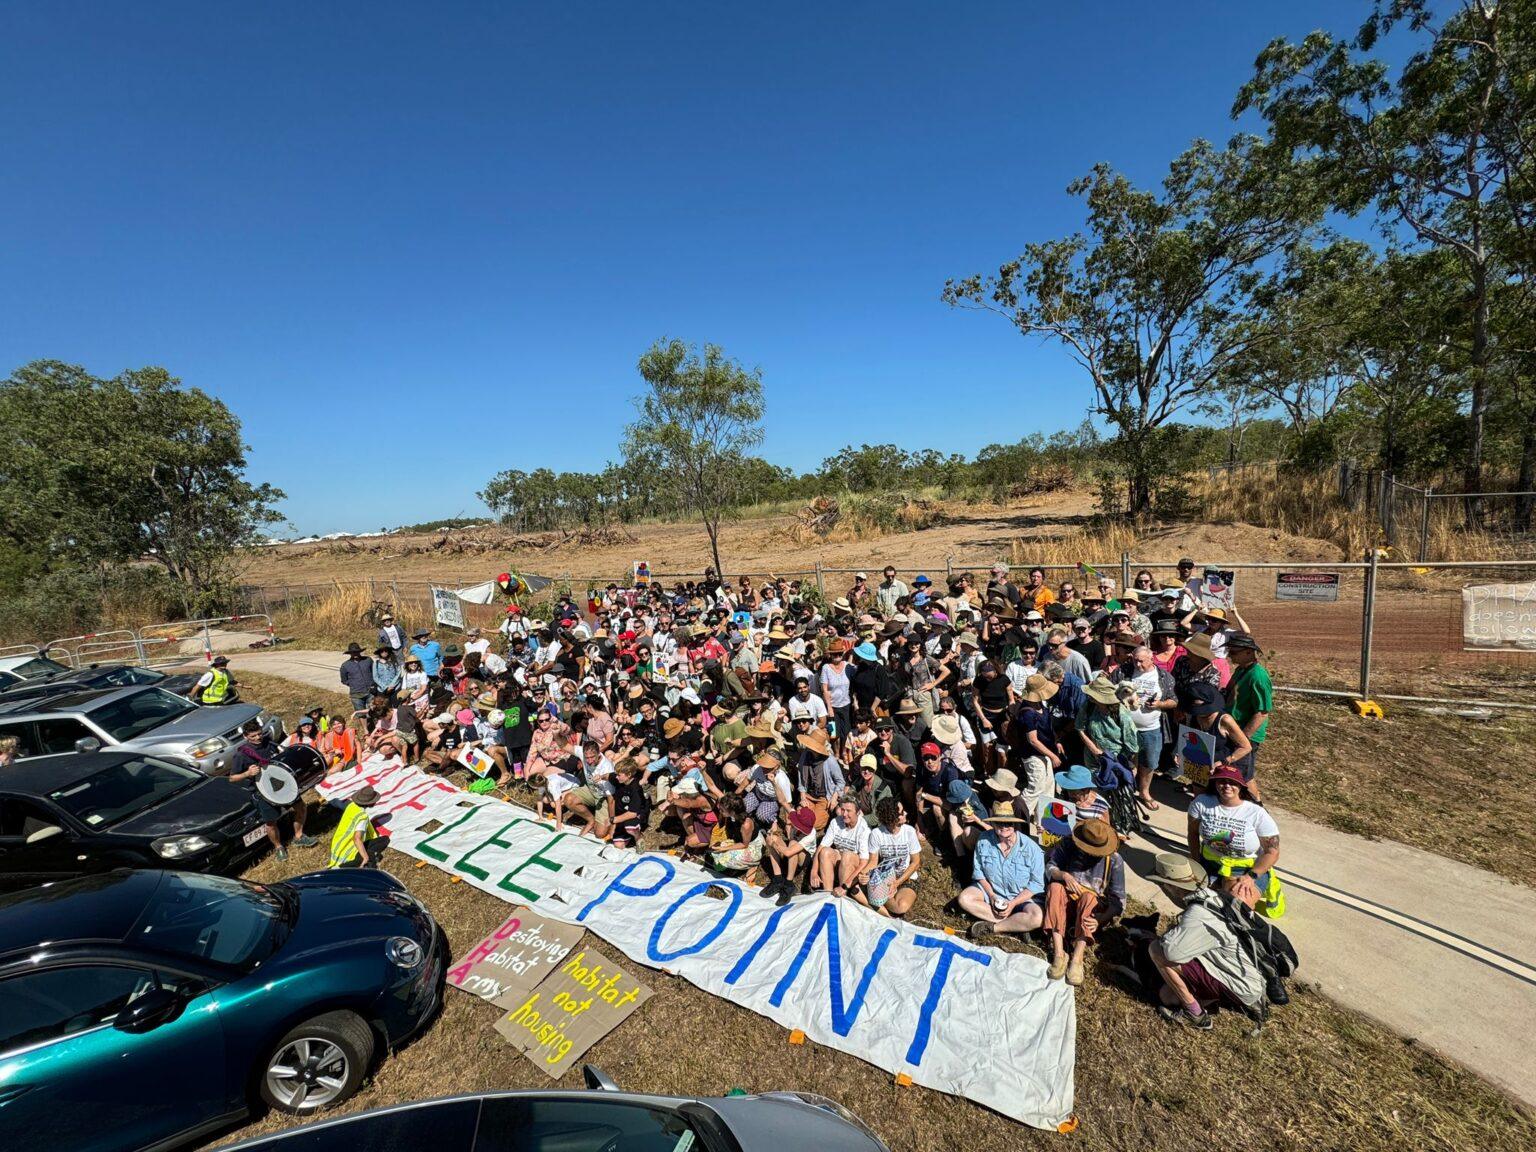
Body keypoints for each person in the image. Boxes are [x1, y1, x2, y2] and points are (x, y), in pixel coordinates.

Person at [1148, 855, 1268, 1030]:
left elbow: (1170, 953)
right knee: (1167, 996)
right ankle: (1210, 999)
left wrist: (1169, 934)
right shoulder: (1211, 897)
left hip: (1240, 985)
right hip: (1245, 977)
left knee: (1156, 950)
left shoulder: (1197, 914)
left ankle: (1196, 1015)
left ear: (1172, 886)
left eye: (1162, 884)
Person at [1188, 766, 1284, 917]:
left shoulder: (1257, 813)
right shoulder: (1201, 803)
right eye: (1222, 781)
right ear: (1214, 783)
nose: (1227, 785)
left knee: (1238, 908)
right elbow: (1193, 834)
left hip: (1245, 869)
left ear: (1241, 786)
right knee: (1190, 898)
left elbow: (1272, 852)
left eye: (1232, 782)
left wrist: (1251, 877)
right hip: (1210, 864)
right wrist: (1196, 863)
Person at [1043, 819, 1125, 984]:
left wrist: (1100, 919)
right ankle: (1059, 952)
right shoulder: (1068, 844)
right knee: (1055, 887)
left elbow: (1118, 901)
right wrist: (1064, 875)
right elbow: (1050, 867)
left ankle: (1077, 958)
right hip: (1065, 903)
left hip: (1091, 909)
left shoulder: (1114, 860)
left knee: (1089, 898)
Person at [229, 718, 315, 861]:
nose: (258, 738)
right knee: (271, 822)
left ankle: (299, 836)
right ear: (245, 736)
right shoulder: (241, 755)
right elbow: (232, 778)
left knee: (300, 807)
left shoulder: (268, 743)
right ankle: (278, 847)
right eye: (253, 736)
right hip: (263, 792)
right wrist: (247, 773)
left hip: (282, 784)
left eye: (259, 734)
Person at [960, 802, 1044, 939]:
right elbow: (979, 873)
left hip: (1020, 897)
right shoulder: (983, 840)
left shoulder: (1032, 848)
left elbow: (1036, 884)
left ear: (1014, 824)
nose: (1004, 827)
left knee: (1037, 917)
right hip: (992, 892)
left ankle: (993, 927)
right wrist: (992, 895)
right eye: (999, 823)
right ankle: (1016, 924)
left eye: (1008, 823)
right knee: (965, 898)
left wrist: (1013, 903)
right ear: (993, 824)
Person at [1224, 634, 1272, 800]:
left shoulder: (1258, 676)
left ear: (1248, 652)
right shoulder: (1241, 669)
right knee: (1234, 770)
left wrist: (1243, 739)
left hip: (1246, 734)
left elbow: (1262, 712)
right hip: (1234, 730)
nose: (1230, 656)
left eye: (1234, 652)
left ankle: (1256, 804)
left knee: (1244, 774)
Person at [861, 797, 921, 918]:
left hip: (906, 877)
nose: (905, 813)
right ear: (892, 818)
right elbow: (873, 862)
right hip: (884, 877)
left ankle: (874, 900)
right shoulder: (876, 834)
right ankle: (878, 898)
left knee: (901, 907)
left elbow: (916, 862)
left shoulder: (909, 831)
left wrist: (897, 883)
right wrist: (864, 874)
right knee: (867, 887)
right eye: (901, 812)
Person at [811, 794, 872, 899]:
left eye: (849, 811)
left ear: (858, 812)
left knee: (847, 856)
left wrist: (846, 884)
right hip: (840, 859)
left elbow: (864, 862)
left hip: (854, 866)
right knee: (825, 851)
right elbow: (821, 847)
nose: (844, 814)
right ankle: (827, 893)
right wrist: (814, 871)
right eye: (843, 810)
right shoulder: (835, 822)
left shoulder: (864, 829)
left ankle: (843, 894)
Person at [761, 805, 818, 906]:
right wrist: (772, 833)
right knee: (771, 838)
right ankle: (778, 879)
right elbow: (784, 801)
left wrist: (774, 844)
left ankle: (789, 884)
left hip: (803, 858)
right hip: (790, 850)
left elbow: (789, 852)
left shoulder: (811, 834)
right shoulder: (796, 819)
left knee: (792, 844)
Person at [328, 786, 387, 868]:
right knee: (383, 841)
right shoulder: (362, 817)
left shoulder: (351, 806)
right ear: (370, 803)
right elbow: (357, 838)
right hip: (347, 854)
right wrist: (365, 857)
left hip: (338, 846)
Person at [340, 643, 374, 717]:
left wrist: (372, 683)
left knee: (373, 711)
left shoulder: (368, 660)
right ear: (350, 653)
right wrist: (353, 684)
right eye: (353, 652)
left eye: (356, 651)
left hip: (370, 691)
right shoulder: (345, 665)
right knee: (361, 714)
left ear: (360, 651)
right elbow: (344, 680)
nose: (355, 653)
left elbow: (374, 672)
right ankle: (365, 725)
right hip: (356, 694)